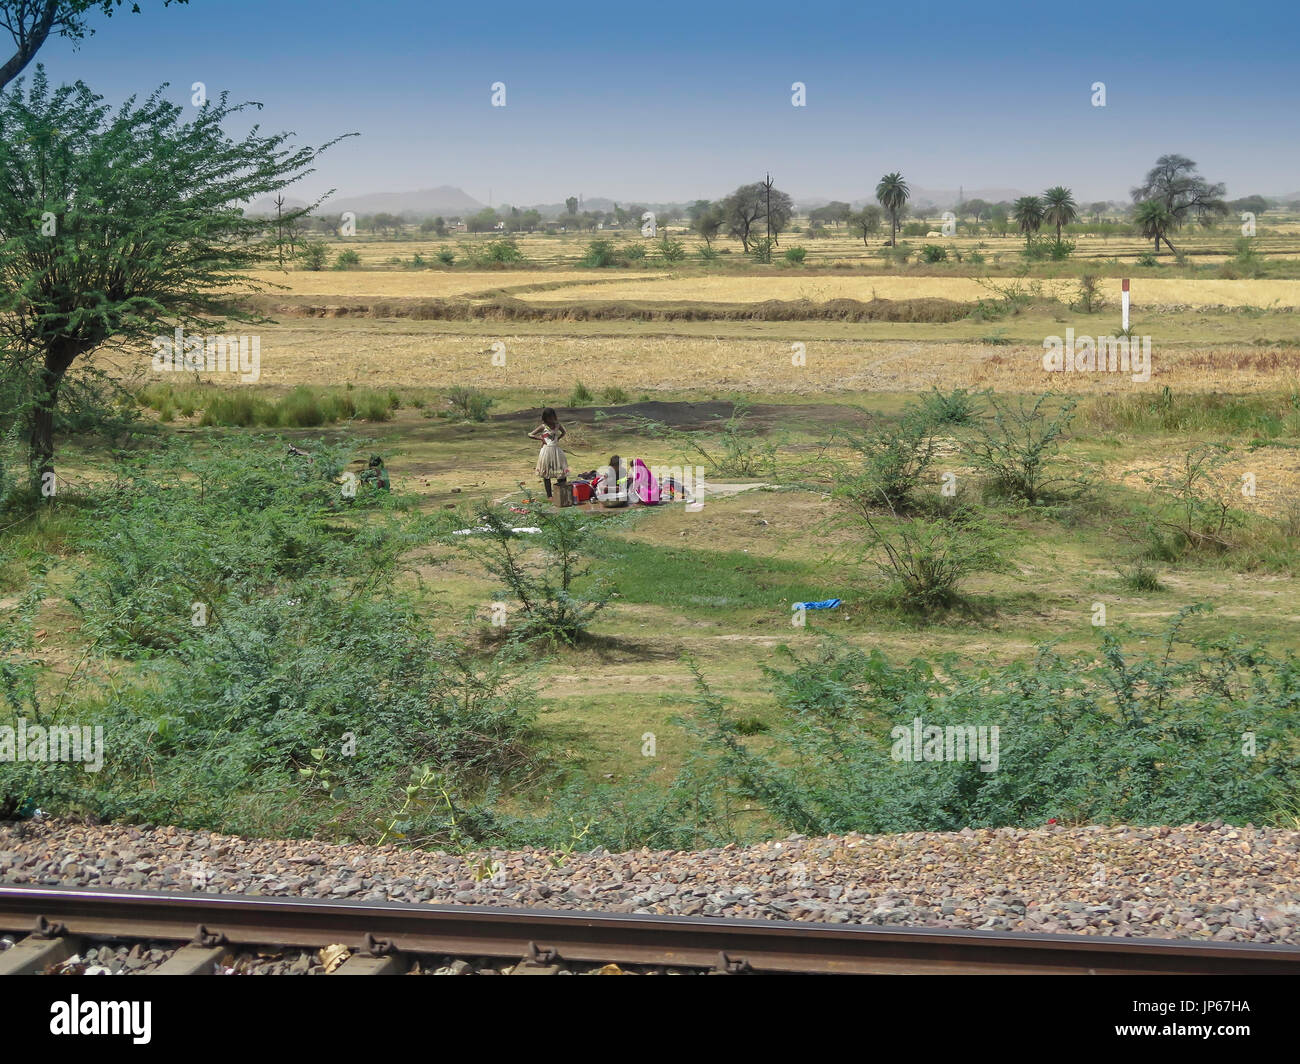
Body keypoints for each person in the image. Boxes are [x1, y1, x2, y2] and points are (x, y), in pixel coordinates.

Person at [528, 407, 568, 499]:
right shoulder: (543, 426)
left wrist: (558, 438)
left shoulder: (557, 425)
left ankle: (561, 493)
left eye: (552, 417)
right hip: (546, 451)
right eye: (549, 418)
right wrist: (541, 438)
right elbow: (530, 434)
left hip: (556, 451)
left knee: (560, 472)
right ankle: (549, 495)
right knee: (547, 473)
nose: (551, 420)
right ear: (545, 418)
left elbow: (564, 432)